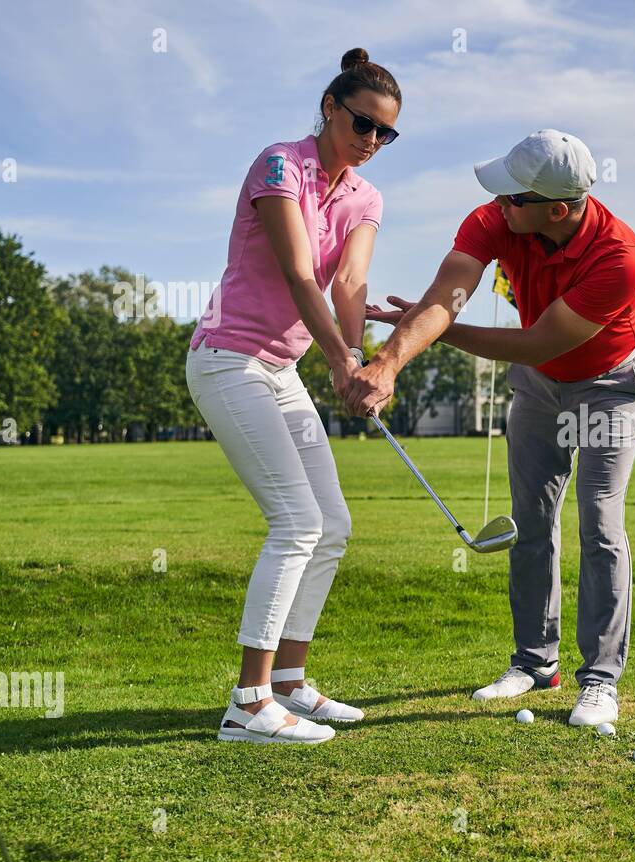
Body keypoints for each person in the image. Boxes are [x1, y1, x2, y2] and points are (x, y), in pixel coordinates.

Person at [352, 130, 635, 727]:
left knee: (600, 522)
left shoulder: (620, 258)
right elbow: (448, 294)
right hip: (537, 387)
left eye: (514, 198)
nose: (500, 205)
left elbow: (539, 341)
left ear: (557, 209)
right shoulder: (498, 218)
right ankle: (536, 661)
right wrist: (388, 361)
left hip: (607, 385)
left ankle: (600, 679)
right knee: (531, 520)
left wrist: (437, 330)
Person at [185, 48, 399, 744]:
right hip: (228, 361)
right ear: (331, 107)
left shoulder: (366, 197)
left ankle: (288, 684)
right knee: (296, 522)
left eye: (385, 134)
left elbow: (348, 289)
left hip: (280, 371)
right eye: (362, 123)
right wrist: (340, 365)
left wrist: (364, 364)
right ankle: (247, 703)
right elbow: (301, 274)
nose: (370, 141)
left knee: (331, 524)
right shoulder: (281, 164)